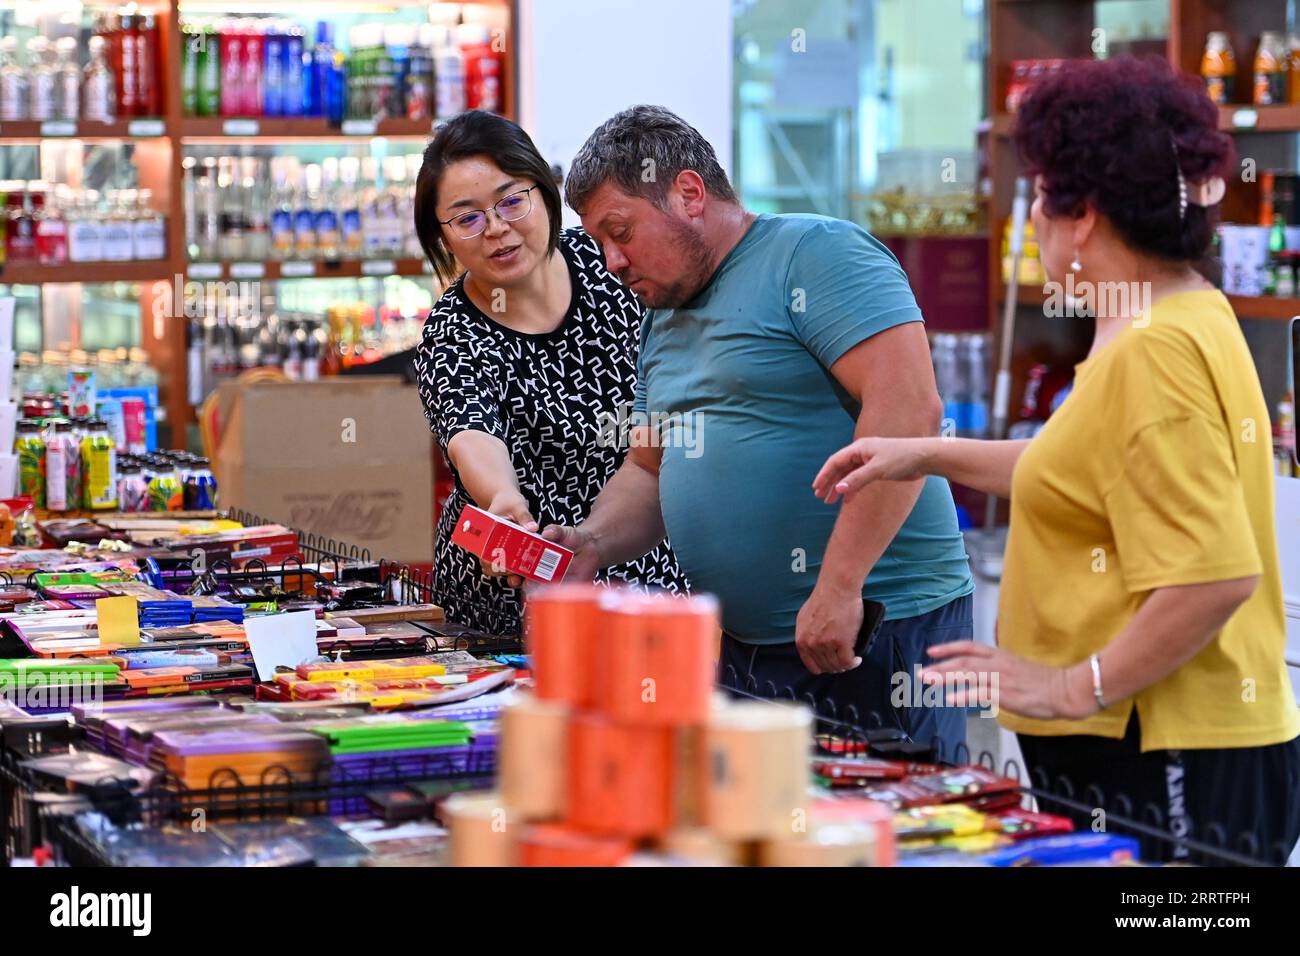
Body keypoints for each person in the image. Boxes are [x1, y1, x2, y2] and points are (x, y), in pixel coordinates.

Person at [813, 57, 1300, 864]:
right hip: (1139, 741)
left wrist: (1072, 687)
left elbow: (1215, 576)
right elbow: (1081, 466)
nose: (1032, 218)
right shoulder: (1169, 309)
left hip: (1168, 747)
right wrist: (923, 452)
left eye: (1040, 195)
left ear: (1086, 214)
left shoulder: (1155, 351)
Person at [548, 105, 975, 756]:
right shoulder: (664, 316)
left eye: (620, 231)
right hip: (748, 651)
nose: (611, 262)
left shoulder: (815, 253)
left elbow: (907, 410)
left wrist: (839, 585)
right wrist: (592, 542)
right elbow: (648, 470)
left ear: (688, 193)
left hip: (871, 631)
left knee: (889, 841)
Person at [411, 110, 686, 635]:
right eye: (466, 218)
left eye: (511, 200)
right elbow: (470, 433)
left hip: (643, 574)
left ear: (543, 191)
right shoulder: (452, 332)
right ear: (443, 238)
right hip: (514, 598)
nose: (496, 228)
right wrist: (501, 500)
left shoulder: (612, 265)